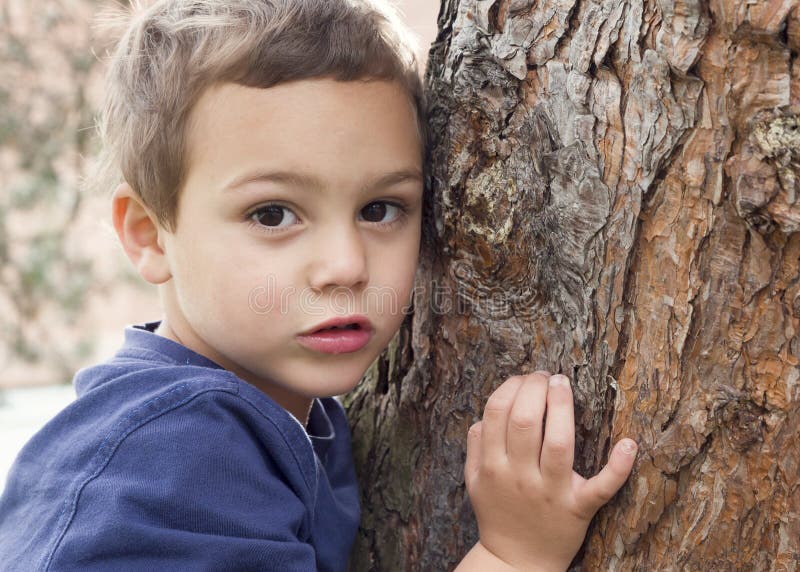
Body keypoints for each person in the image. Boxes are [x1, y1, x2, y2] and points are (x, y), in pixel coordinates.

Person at [0, 0, 638, 570]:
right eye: (273, 214)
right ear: (150, 234)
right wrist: (515, 554)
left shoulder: (252, 415)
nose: (346, 265)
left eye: (380, 209)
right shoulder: (173, 461)